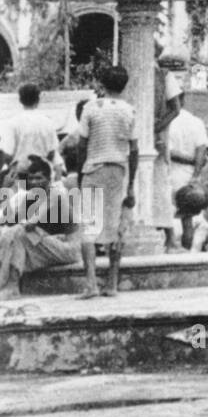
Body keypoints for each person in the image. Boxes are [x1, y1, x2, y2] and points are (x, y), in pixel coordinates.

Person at [75, 65, 138, 298]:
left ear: (102, 84)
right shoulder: (129, 111)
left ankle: (91, 283)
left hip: (94, 168)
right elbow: (134, 150)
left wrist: (81, 172)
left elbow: (82, 144)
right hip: (118, 171)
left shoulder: (91, 108)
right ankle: (111, 282)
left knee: (89, 229)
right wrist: (131, 184)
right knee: (115, 227)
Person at [0, 156, 82, 298]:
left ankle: (10, 285)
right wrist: (4, 189)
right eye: (31, 179)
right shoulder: (31, 197)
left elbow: (32, 222)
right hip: (47, 245)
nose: (34, 182)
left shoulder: (56, 194)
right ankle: (9, 286)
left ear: (49, 180)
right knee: (11, 233)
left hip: (69, 249)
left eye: (39, 178)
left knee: (19, 233)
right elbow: (7, 220)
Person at [164, 91, 208, 252]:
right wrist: (196, 173)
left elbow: (168, 152)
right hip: (190, 176)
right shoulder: (195, 121)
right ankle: (186, 252)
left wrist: (191, 160)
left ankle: (171, 247)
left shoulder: (167, 122)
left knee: (167, 216)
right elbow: (201, 150)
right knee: (187, 219)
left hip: (171, 174)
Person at [151, 48, 186, 249]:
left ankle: (170, 237)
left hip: (157, 135)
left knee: (160, 186)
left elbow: (175, 108)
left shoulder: (164, 76)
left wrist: (157, 127)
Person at [0, 83, 60, 182]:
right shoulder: (48, 122)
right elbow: (52, 152)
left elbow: (7, 155)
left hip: (20, 176)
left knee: (19, 196)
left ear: (20, 100)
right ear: (38, 99)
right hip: (42, 176)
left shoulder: (12, 123)